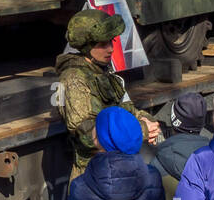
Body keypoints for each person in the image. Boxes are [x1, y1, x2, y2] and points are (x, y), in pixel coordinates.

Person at [56, 9, 160, 178]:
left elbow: (128, 110)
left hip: (118, 167)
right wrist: (140, 130)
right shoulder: (74, 79)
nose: (111, 49)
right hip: (94, 173)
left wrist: (147, 121)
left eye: (111, 41)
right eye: (102, 44)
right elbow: (86, 135)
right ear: (87, 46)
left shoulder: (104, 73)